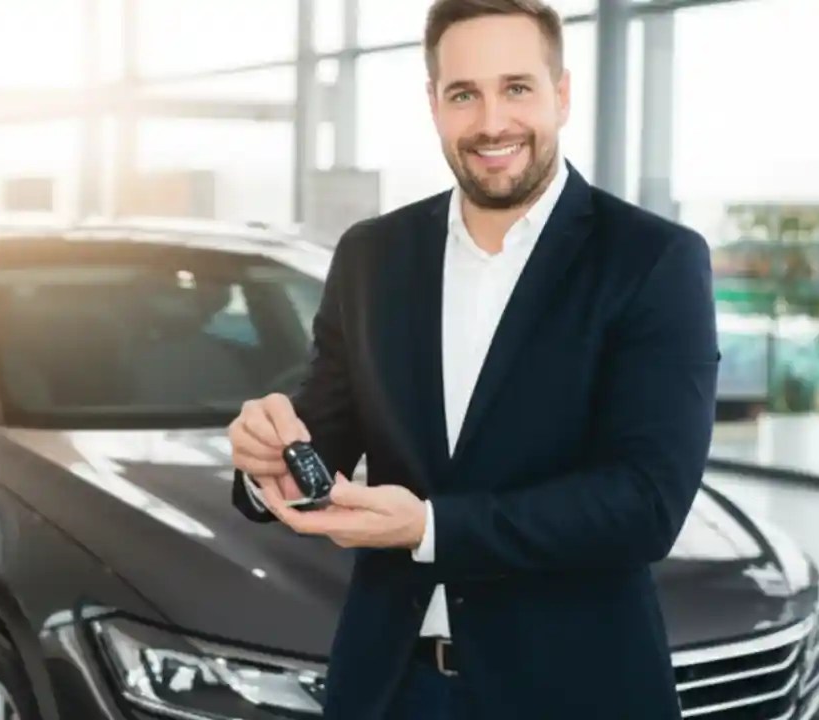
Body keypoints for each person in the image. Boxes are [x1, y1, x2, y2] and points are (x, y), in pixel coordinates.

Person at [227, 0, 719, 717]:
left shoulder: (652, 261)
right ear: (434, 104)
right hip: (392, 688)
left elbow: (644, 503)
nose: (492, 122)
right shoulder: (373, 255)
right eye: (465, 94)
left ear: (562, 93)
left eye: (516, 87)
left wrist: (431, 528)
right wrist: (264, 456)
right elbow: (322, 438)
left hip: (573, 692)